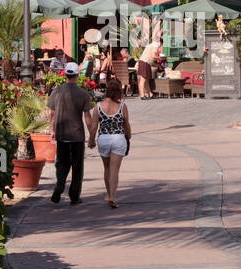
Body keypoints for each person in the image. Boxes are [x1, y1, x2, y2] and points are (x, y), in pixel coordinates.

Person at [48, 61, 93, 205]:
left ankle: (59, 185)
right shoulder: (83, 94)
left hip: (62, 134)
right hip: (77, 135)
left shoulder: (57, 91)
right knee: (77, 166)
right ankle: (74, 195)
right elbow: (87, 117)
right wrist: (92, 136)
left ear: (65, 74)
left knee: (61, 163)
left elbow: (52, 114)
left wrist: (52, 130)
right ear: (77, 75)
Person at [87, 78, 132, 208]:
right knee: (114, 170)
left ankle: (108, 194)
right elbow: (126, 124)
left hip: (104, 138)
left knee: (106, 168)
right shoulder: (123, 106)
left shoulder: (98, 106)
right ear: (119, 91)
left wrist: (91, 140)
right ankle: (112, 196)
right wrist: (128, 136)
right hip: (118, 138)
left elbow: (94, 126)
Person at [137, 23, 162, 99]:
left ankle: (150, 94)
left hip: (144, 61)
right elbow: (153, 56)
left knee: (146, 79)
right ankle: (142, 95)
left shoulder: (153, 44)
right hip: (145, 62)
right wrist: (160, 58)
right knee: (143, 80)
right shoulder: (156, 45)